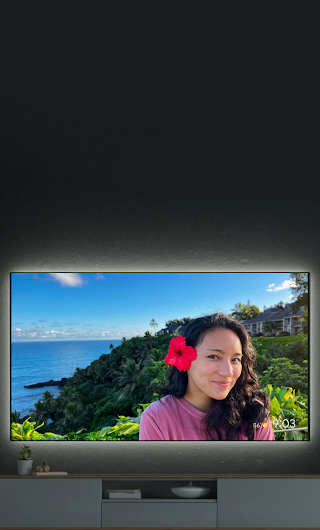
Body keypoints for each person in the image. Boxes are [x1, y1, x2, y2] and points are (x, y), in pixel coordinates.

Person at [139, 312, 275, 441]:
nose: (228, 372)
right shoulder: (157, 419)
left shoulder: (254, 413)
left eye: (235, 359)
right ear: (185, 359)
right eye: (214, 357)